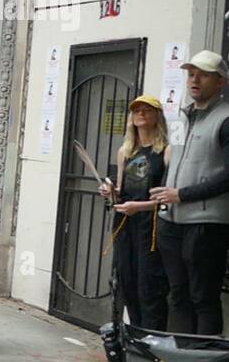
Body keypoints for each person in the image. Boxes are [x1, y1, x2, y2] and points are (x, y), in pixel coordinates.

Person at [151, 50, 229, 336]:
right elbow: (173, 164)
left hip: (206, 224)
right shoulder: (183, 119)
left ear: (220, 82)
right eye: (191, 74)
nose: (194, 80)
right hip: (172, 222)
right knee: (178, 295)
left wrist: (182, 194)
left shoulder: (225, 119)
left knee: (203, 298)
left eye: (204, 74)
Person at [98, 96, 169, 332]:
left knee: (148, 286)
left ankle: (153, 340)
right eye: (136, 110)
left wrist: (141, 207)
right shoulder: (125, 151)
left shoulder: (166, 152)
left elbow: (167, 198)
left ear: (157, 116)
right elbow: (121, 190)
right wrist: (110, 191)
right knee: (127, 282)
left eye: (147, 110)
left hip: (151, 225)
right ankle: (136, 338)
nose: (141, 114)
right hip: (125, 222)